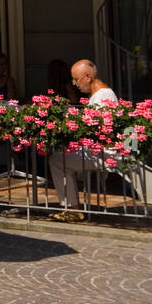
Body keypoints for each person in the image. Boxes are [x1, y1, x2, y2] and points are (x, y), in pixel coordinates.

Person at [49, 59, 119, 222]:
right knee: (61, 157)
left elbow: (100, 131)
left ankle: (72, 209)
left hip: (104, 153)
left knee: (56, 160)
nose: (74, 83)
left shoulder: (103, 96)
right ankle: (71, 207)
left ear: (87, 77)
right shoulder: (100, 94)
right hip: (98, 151)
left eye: (75, 79)